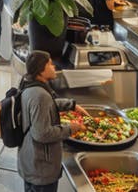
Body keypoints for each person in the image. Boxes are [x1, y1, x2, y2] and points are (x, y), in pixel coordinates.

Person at [18, 50, 87, 192]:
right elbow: (42, 134)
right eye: (50, 64)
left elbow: (48, 105)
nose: (54, 66)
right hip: (41, 167)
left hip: (31, 160)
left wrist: (71, 105)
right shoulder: (40, 96)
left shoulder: (30, 84)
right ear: (40, 70)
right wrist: (71, 128)